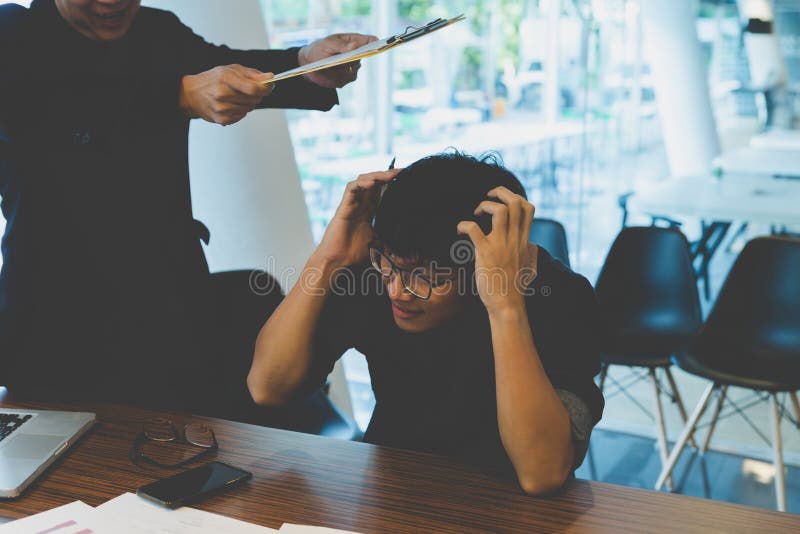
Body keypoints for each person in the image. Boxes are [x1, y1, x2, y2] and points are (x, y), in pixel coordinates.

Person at [0, 0, 374, 412]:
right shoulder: (13, 32)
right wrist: (177, 94)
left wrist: (306, 63)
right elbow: (58, 101)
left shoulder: (158, 32)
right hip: (54, 324)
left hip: (169, 312)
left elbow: (236, 73)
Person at [248, 152, 604, 494]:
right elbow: (267, 388)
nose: (399, 291)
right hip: (393, 493)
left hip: (509, 510)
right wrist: (328, 258)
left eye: (427, 276)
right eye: (389, 264)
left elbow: (542, 472)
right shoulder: (380, 274)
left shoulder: (561, 298)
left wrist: (504, 305)